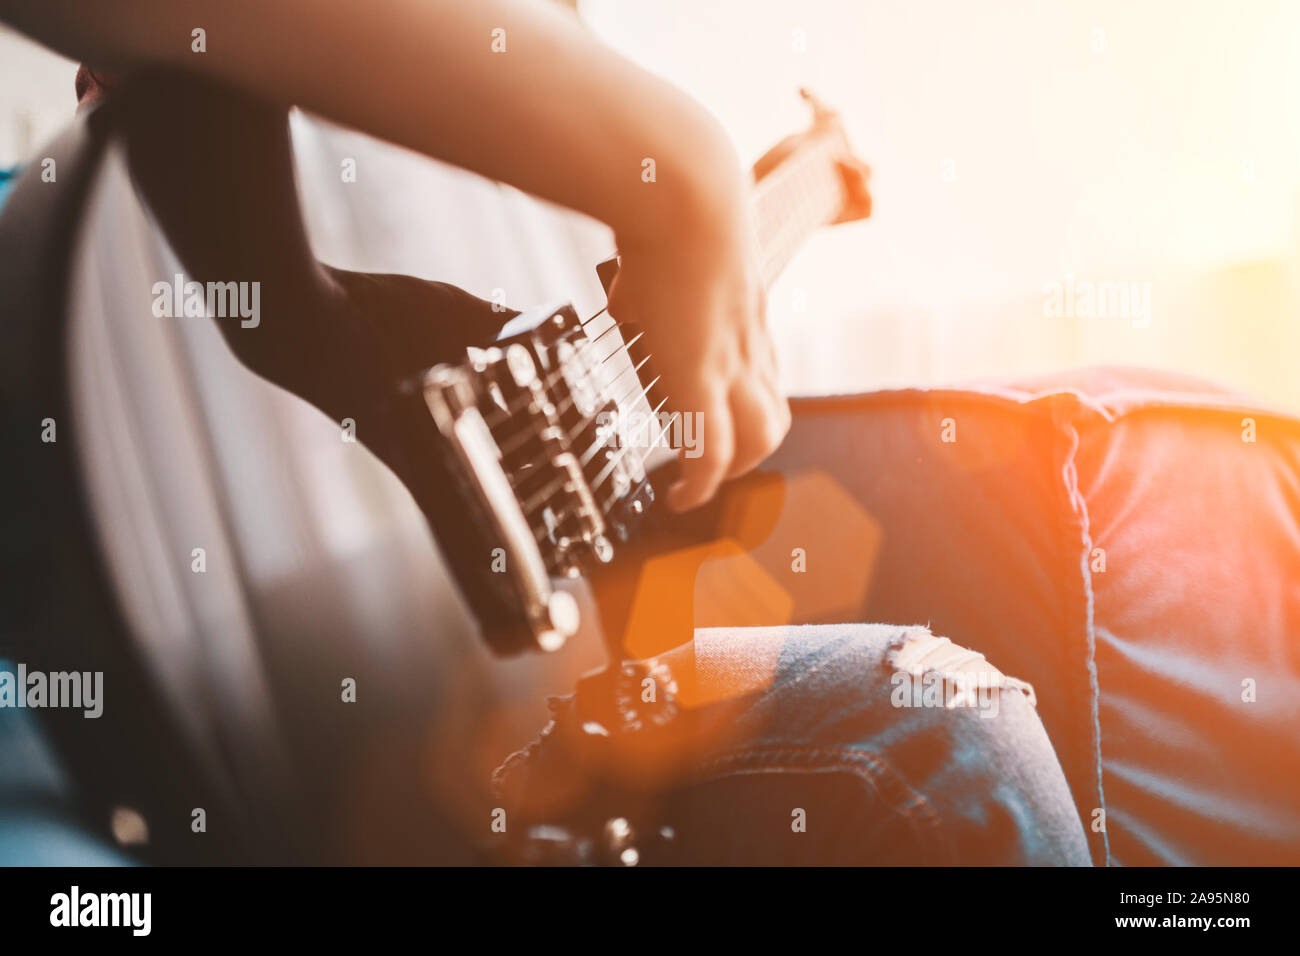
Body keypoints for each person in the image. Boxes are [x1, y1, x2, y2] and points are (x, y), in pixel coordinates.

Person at [0, 0, 1092, 864]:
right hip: (56, 646)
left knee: (956, 729)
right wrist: (680, 170)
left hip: (460, 725)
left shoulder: (540, 71)